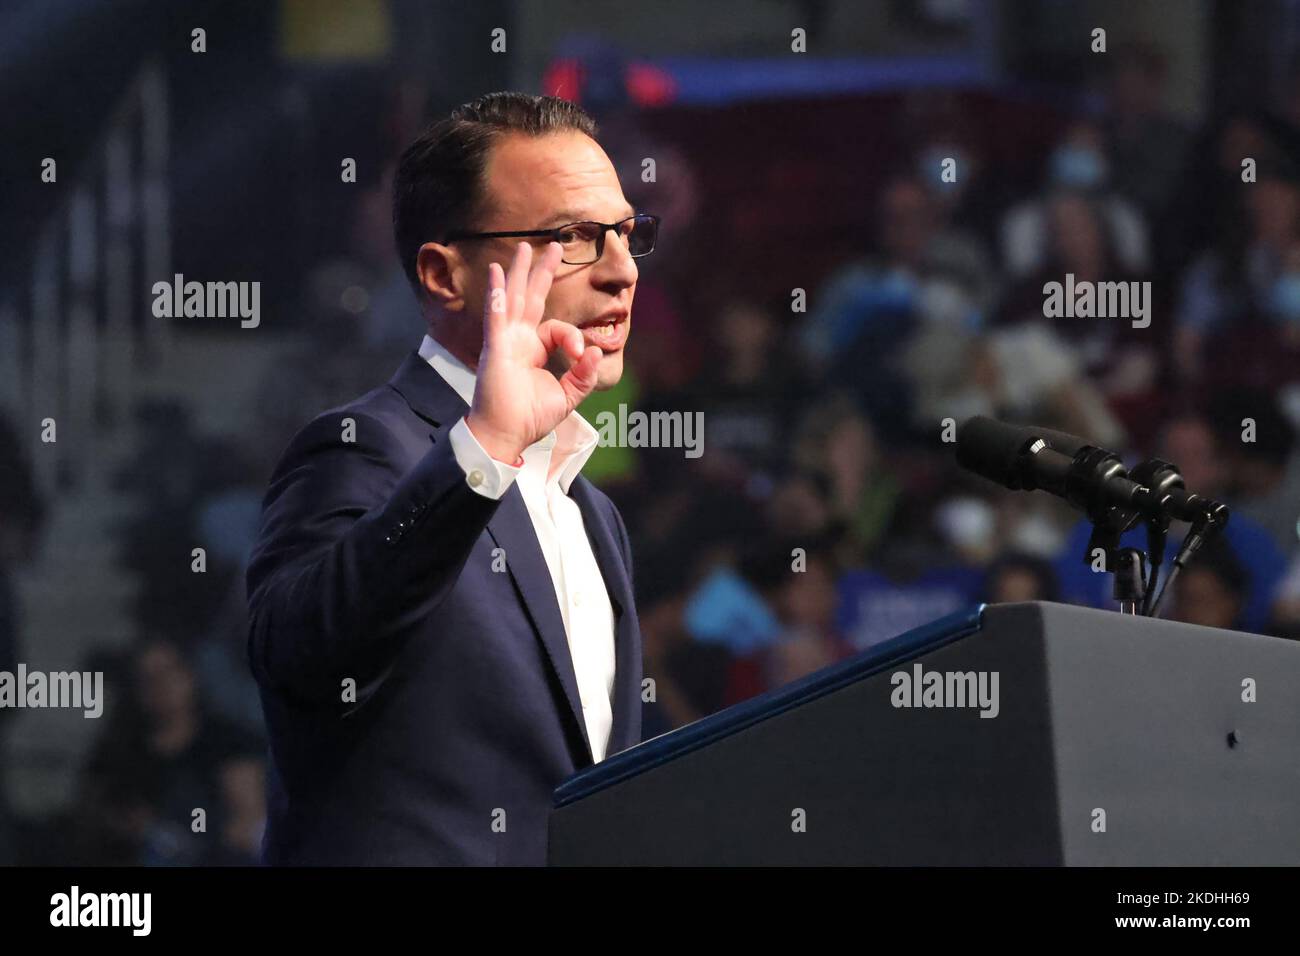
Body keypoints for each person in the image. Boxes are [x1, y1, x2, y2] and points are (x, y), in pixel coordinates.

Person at [246, 92, 650, 865]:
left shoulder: (593, 514)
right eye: (574, 238)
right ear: (444, 275)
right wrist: (486, 445)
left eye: (629, 235)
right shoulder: (363, 447)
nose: (622, 273)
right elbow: (296, 651)